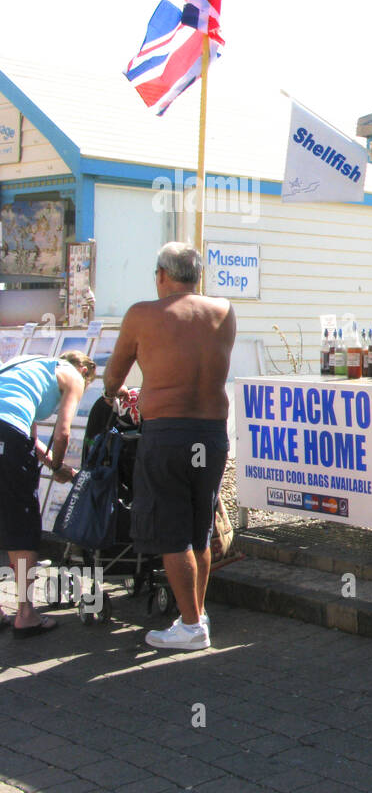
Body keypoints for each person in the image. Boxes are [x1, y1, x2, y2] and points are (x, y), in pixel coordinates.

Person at [102, 243, 236, 652]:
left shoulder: (143, 314)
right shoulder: (223, 311)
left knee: (171, 531)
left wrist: (116, 393)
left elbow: (113, 376)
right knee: (200, 527)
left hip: (169, 433)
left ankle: (192, 626)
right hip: (211, 433)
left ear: (162, 274)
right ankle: (196, 613)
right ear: (197, 276)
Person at [0, 350, 95, 636]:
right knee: (21, 523)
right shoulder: (72, 374)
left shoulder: (24, 365)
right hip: (7, 435)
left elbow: (28, 434)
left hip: (7, 432)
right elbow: (62, 432)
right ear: (83, 368)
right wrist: (57, 468)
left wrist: (52, 462)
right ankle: (26, 613)